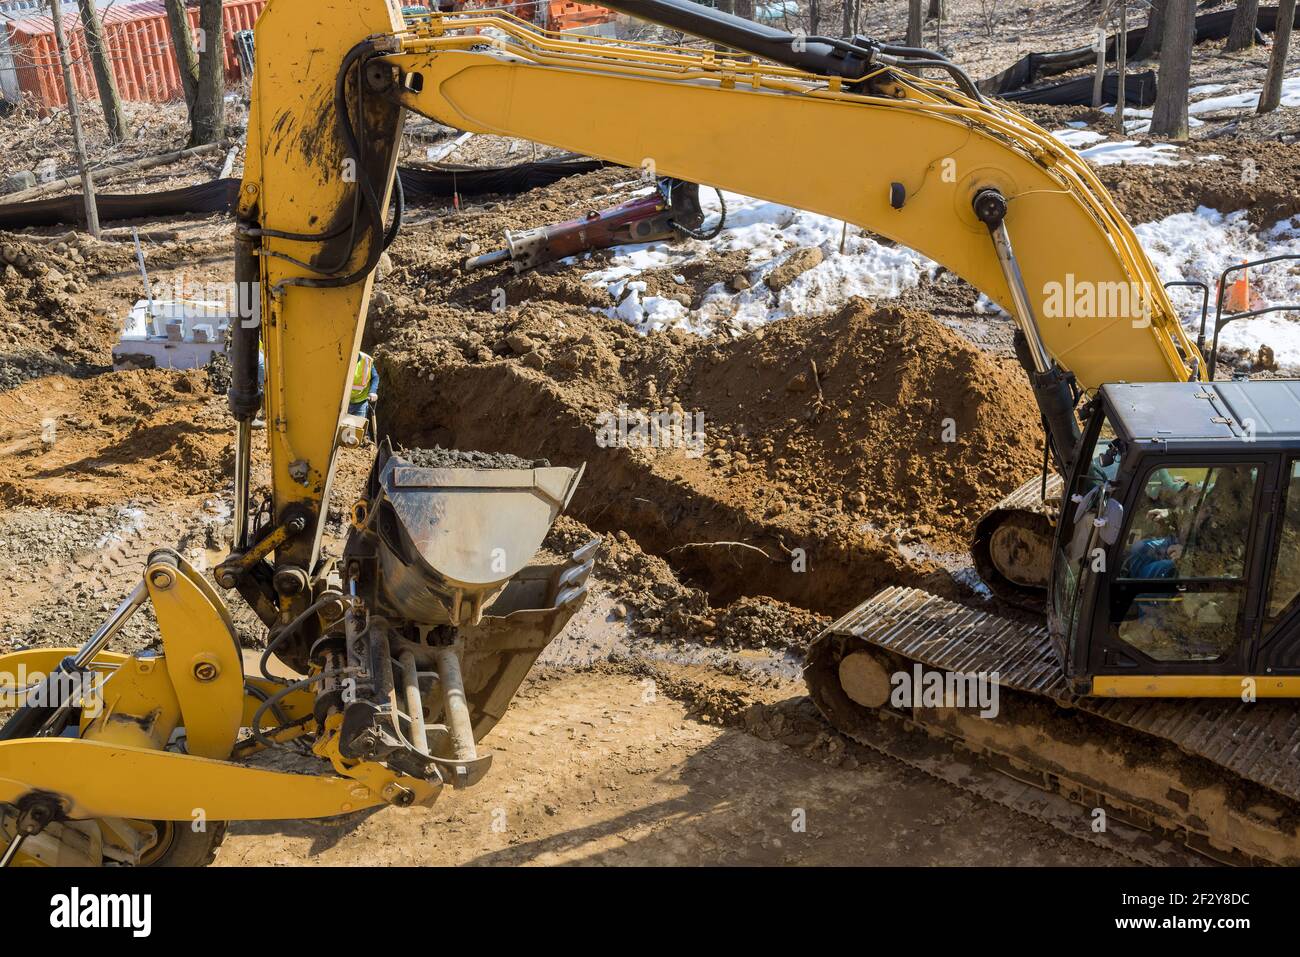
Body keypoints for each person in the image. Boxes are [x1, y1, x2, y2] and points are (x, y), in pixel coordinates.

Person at [350, 351, 379, 419]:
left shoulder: (366, 360)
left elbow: (375, 377)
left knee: (357, 427)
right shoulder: (340, 359)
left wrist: (372, 391)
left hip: (361, 402)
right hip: (343, 402)